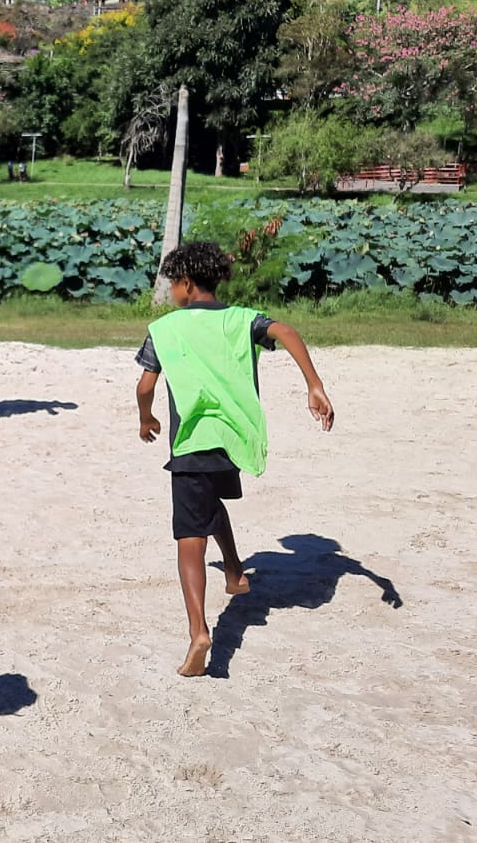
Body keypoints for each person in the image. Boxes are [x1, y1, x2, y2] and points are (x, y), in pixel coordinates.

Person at [134, 242, 334, 677]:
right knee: (210, 504)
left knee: (189, 536)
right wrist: (313, 385)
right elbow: (286, 332)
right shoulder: (242, 319)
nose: (170, 293)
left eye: (172, 285)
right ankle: (233, 570)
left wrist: (146, 416)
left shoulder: (165, 329)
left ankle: (199, 633)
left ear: (186, 284)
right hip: (231, 441)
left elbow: (146, 385)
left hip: (191, 442)